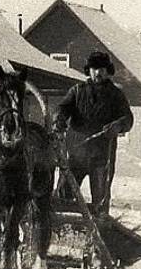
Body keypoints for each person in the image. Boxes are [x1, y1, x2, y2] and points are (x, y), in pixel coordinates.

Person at [53, 51, 133, 216]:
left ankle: (100, 231)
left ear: (108, 71)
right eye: (94, 69)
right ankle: (62, 229)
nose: (98, 73)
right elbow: (62, 108)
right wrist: (59, 118)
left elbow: (128, 119)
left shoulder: (116, 95)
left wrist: (118, 125)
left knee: (100, 201)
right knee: (63, 196)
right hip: (76, 155)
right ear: (88, 71)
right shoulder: (77, 91)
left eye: (102, 69)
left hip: (102, 158)